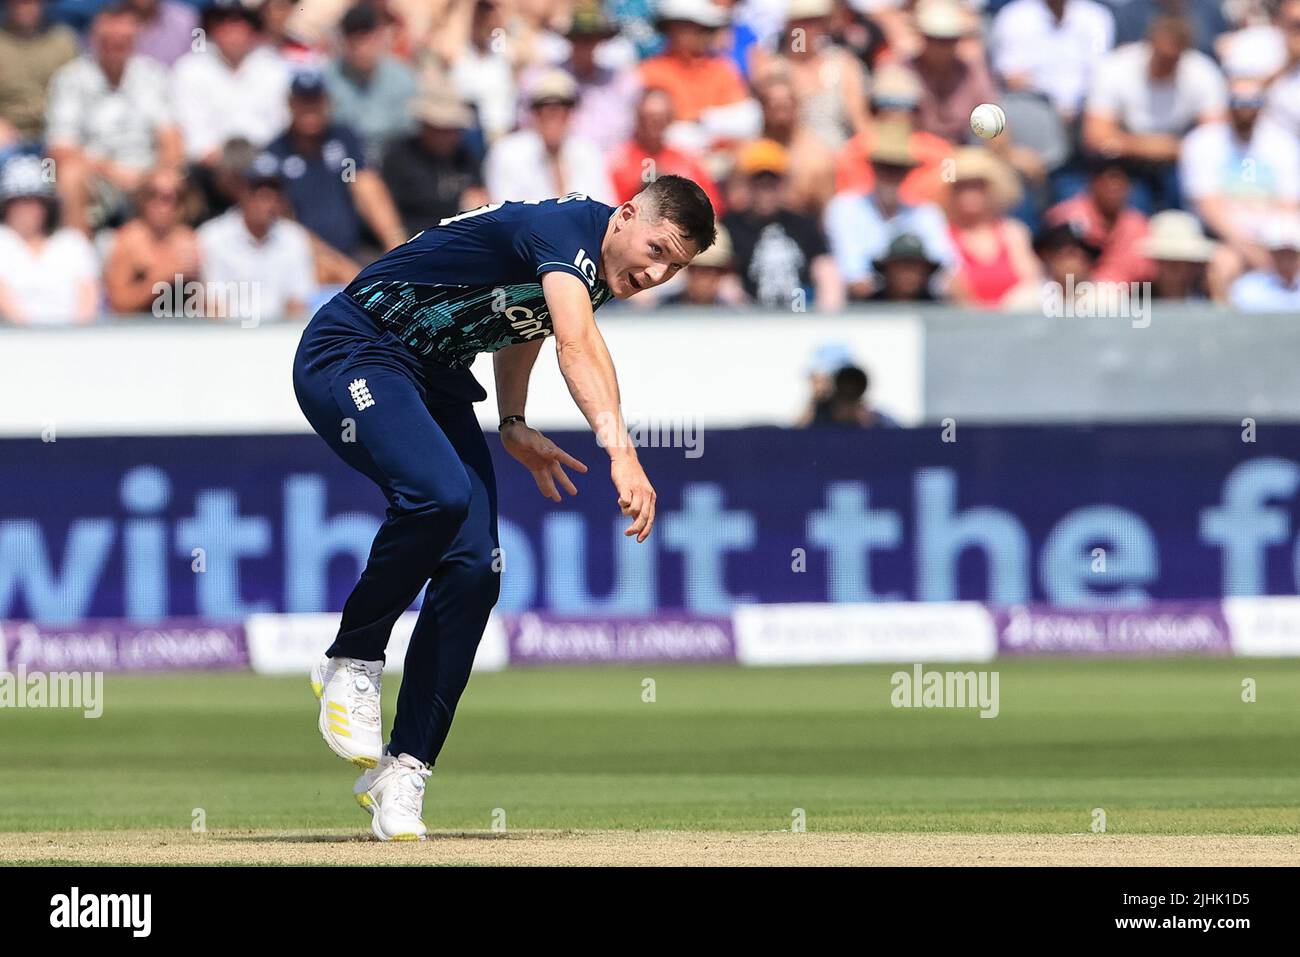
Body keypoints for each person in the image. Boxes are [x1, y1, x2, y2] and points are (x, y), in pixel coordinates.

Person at [293, 176, 714, 840]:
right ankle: (351, 659)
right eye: (657, 249)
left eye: (675, 267)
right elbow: (576, 342)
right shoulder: (567, 231)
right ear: (626, 214)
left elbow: (529, 323)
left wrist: (512, 418)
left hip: (432, 376)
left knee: (475, 568)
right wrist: (620, 450)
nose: (657, 272)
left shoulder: (595, 264)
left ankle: (403, 771)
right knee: (438, 494)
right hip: (355, 345)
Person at [44, 4, 182, 232]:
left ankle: (162, 253)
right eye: (109, 41)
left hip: (147, 174)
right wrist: (111, 170)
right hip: (97, 176)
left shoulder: (153, 75)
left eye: (123, 41)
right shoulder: (70, 79)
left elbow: (171, 138)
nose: (116, 47)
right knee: (69, 174)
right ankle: (81, 257)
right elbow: (60, 148)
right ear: (94, 40)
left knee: (172, 178)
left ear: (135, 41)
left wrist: (159, 173)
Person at [1082, 14, 1227, 212]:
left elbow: (1215, 139)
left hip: (1178, 164)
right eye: (1162, 55)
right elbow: (1096, 138)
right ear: (1149, 45)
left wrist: (1144, 146)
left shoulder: (1203, 73)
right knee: (1126, 198)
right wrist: (1163, 147)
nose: (1166, 63)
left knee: (1194, 191)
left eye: (1173, 58)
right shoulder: (1116, 68)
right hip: (1124, 163)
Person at [261, 69, 408, 260]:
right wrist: (332, 261)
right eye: (303, 100)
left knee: (366, 182)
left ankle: (400, 253)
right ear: (291, 103)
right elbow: (282, 219)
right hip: (304, 255)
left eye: (315, 100)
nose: (310, 108)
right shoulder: (277, 153)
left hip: (353, 247)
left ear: (326, 102)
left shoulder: (342, 140)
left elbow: (358, 183)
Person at [825, 122, 955, 300]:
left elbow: (947, 271)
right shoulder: (845, 207)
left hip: (921, 303)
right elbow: (853, 276)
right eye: (884, 167)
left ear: (908, 172)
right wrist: (895, 283)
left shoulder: (927, 213)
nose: (890, 175)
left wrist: (909, 284)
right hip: (865, 307)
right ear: (873, 167)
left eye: (898, 169)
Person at [722, 137, 843, 311]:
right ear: (748, 183)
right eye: (759, 181)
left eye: (772, 181)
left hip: (800, 313)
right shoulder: (731, 226)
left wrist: (823, 315)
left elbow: (825, 269)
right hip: (750, 319)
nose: (766, 189)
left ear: (784, 183)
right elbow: (726, 280)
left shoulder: (803, 224)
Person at [196, 153, 316, 323]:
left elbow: (298, 303)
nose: (268, 201)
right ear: (242, 193)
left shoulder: (294, 238)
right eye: (258, 191)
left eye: (274, 192)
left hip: (280, 337)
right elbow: (213, 306)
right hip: (225, 336)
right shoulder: (211, 237)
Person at [484, 69, 615, 204]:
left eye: (562, 106)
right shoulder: (507, 153)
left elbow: (604, 204)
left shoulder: (588, 152)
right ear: (534, 113)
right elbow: (505, 211)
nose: (553, 115)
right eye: (544, 107)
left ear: (571, 113)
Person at [0, 154, 99, 324]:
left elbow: (89, 299)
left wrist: (74, 338)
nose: (26, 209)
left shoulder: (72, 242)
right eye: (19, 201)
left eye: (35, 200)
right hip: (14, 342)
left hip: (74, 340)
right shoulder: (3, 240)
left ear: (48, 205)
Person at [321, 2, 419, 163]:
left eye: (367, 37)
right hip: (344, 163)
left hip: (391, 164)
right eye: (355, 39)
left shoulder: (403, 78)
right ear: (344, 40)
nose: (362, 47)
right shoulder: (328, 78)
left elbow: (410, 134)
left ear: (380, 36)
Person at [381, 88, 486, 235]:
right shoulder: (399, 157)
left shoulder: (465, 157)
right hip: (413, 239)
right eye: (441, 129)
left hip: (460, 236)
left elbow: (479, 194)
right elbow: (387, 209)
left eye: (453, 129)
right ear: (425, 127)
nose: (449, 136)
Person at [946, 148, 1042, 308]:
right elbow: (950, 287)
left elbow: (1031, 281)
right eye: (962, 186)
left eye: (977, 186)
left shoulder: (1014, 232)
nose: (969, 193)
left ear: (991, 190)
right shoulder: (943, 235)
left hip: (1014, 323)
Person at [608, 87, 723, 213]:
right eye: (649, 117)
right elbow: (609, 206)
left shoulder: (686, 159)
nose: (655, 122)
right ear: (639, 117)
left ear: (669, 119)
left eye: (661, 117)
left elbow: (711, 205)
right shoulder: (619, 160)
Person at [104, 166, 201, 314]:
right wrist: (160, 279)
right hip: (138, 330)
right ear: (142, 198)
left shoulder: (189, 240)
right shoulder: (128, 241)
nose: (164, 206)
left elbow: (204, 304)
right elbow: (118, 303)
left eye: (175, 197)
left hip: (182, 329)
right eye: (154, 195)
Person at [1043, 155, 1152, 285]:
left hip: (1127, 299)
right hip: (1073, 295)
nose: (1114, 187)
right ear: (1093, 183)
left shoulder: (1138, 225)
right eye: (1108, 180)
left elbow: (1146, 273)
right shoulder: (1066, 216)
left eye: (1120, 181)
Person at [0, 0, 78, 152]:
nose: (26, 6)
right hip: (8, 136)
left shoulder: (64, 41)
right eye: (20, 3)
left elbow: (80, 93)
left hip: (56, 136)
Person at [1143, 209, 1216, 300]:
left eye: (1188, 264)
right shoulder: (1137, 300)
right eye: (1171, 264)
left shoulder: (1205, 299)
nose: (1180, 273)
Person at [1229, 217, 1300, 310]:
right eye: (1280, 254)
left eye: (1291, 255)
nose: (1286, 261)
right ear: (1270, 254)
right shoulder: (1247, 289)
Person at [662, 222, 741, 305]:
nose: (706, 280)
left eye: (716, 271)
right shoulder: (661, 312)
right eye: (699, 270)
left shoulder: (734, 314)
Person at [807, 364, 901, 427]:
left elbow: (899, 435)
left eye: (854, 386)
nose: (849, 389)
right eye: (844, 385)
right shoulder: (819, 416)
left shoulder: (873, 419)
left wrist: (868, 423)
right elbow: (797, 436)